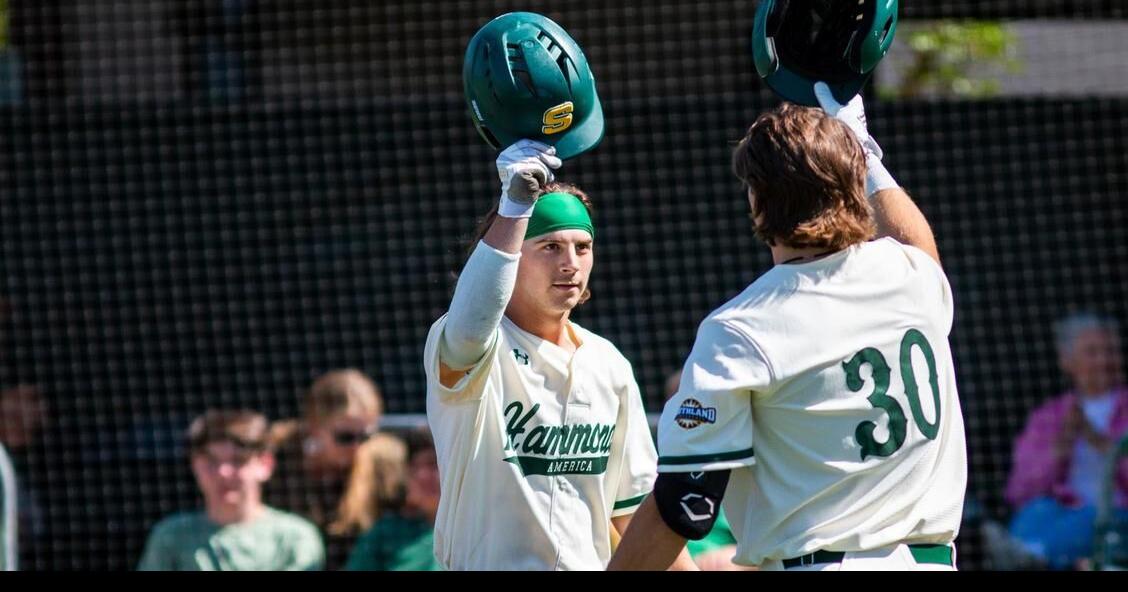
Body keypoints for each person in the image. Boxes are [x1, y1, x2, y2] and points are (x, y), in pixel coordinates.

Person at [609, 84, 967, 571]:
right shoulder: (915, 277)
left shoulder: (739, 329)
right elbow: (916, 242)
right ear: (854, 183)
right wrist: (863, 146)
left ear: (757, 200)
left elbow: (685, 503)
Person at [423, 139, 694, 570]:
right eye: (550, 247)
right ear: (513, 258)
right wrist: (513, 207)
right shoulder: (474, 346)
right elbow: (471, 319)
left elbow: (633, 513)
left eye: (582, 247)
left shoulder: (609, 363)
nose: (570, 263)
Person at [1005, 312, 1128, 569]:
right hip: (1062, 512)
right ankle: (1025, 552)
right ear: (1067, 361)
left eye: (1110, 352)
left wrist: (1101, 443)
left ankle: (1032, 555)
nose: (1103, 361)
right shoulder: (1049, 417)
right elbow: (1019, 490)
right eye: (1092, 353)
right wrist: (1062, 445)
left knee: (1090, 519)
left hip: (1115, 515)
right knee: (1035, 512)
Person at [137, 410, 323, 570]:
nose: (223, 473)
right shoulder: (171, 536)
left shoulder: (295, 538)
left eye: (238, 460)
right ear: (194, 464)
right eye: (211, 461)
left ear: (265, 464)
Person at [267, 369, 383, 570]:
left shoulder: (381, 463)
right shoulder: (274, 457)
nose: (357, 447)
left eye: (365, 436)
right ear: (314, 427)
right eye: (345, 437)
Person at [345, 429, 443, 571]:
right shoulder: (384, 534)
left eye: (436, 464)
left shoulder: (471, 529)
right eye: (415, 467)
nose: (425, 475)